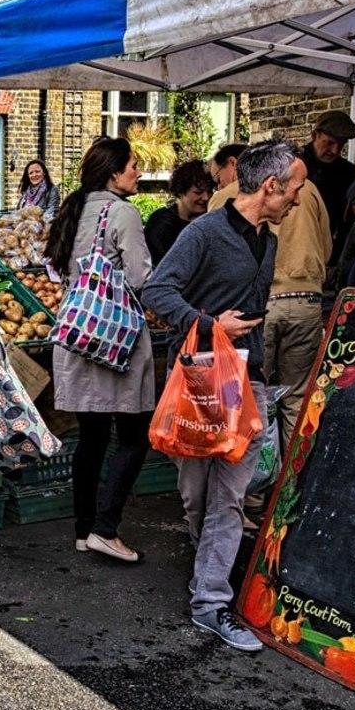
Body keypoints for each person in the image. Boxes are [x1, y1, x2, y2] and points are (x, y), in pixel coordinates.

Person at [144, 139, 305, 653]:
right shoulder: (204, 233)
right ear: (271, 186)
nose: (299, 200)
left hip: (247, 378)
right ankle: (209, 556)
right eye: (295, 189)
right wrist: (211, 324)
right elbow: (156, 291)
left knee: (230, 494)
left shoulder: (270, 240)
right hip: (200, 380)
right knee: (196, 492)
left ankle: (211, 601)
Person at [45, 137, 156, 563]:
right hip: (116, 339)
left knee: (91, 438)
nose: (138, 173)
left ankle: (83, 529)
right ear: (113, 171)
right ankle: (106, 529)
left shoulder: (74, 208)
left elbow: (57, 267)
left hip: (79, 335)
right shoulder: (123, 212)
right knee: (133, 435)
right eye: (133, 166)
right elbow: (141, 276)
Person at [209, 151, 330, 437]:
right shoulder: (310, 189)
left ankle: (251, 477)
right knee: (297, 397)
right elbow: (326, 247)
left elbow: (215, 261)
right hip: (305, 299)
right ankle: (291, 477)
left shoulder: (226, 198)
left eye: (218, 175)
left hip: (255, 308)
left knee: (245, 394)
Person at [144, 159, 214, 267]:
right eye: (198, 192)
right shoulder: (161, 222)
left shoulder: (211, 220)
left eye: (209, 191)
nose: (206, 197)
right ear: (181, 191)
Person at [302, 110, 355, 237]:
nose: (335, 150)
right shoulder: (295, 163)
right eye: (329, 143)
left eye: (341, 145)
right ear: (314, 135)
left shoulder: (347, 172)